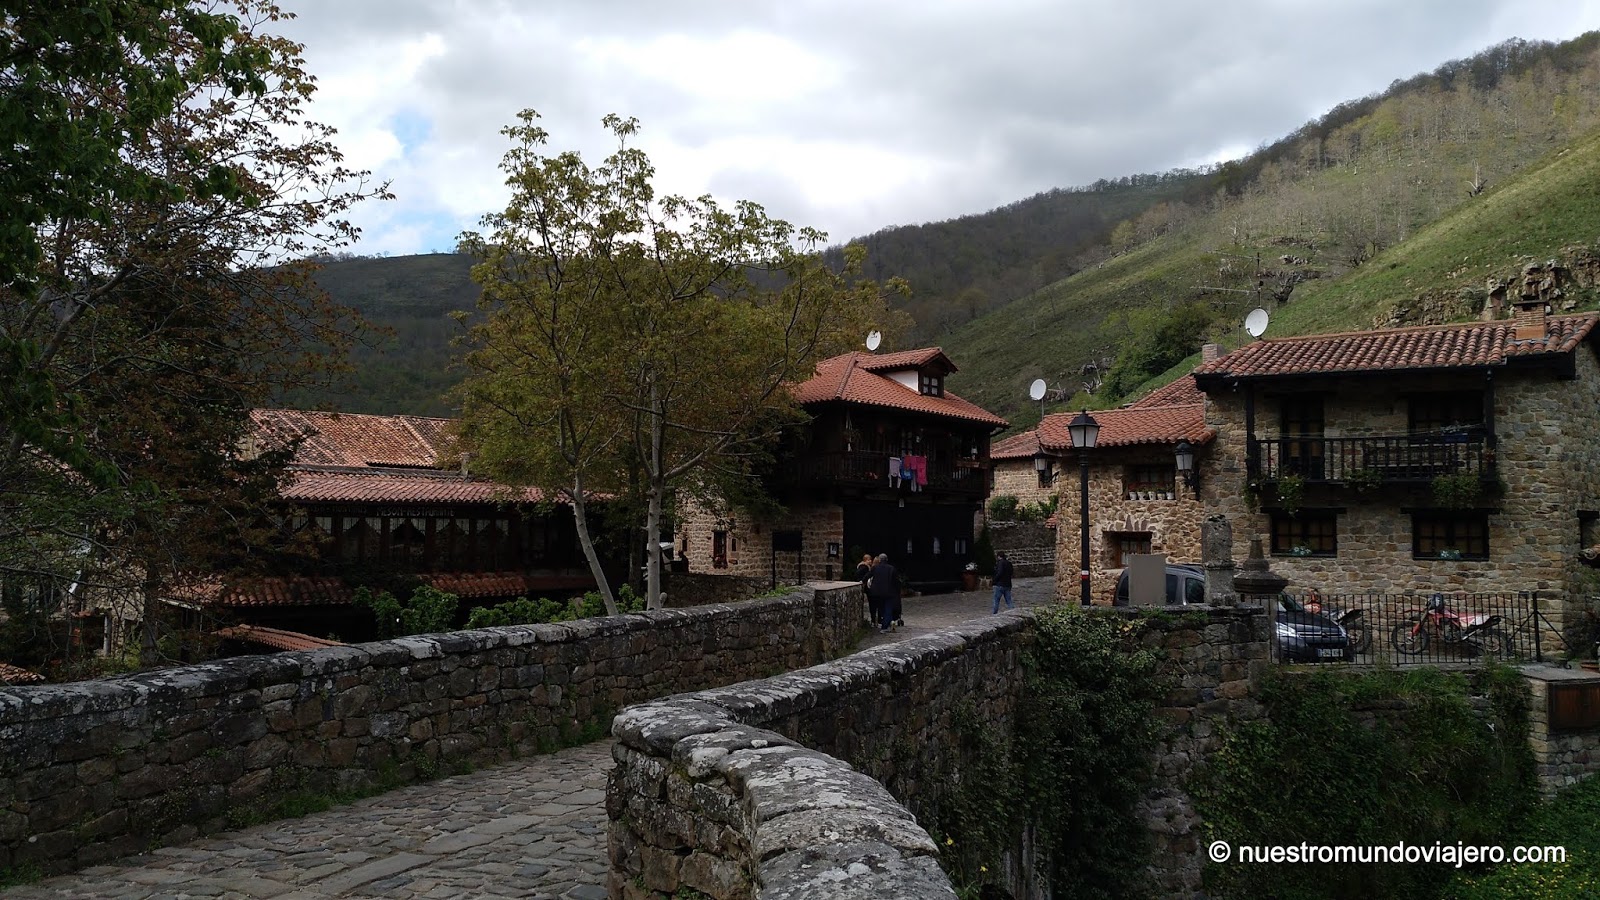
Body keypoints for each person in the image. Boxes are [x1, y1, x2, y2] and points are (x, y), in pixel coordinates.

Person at [868, 553, 901, 633]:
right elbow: (896, 581)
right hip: (889, 592)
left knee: (881, 608)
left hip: (877, 593)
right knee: (888, 608)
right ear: (886, 560)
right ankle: (885, 625)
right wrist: (897, 590)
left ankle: (885, 621)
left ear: (879, 560)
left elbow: (868, 575)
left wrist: (862, 581)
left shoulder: (875, 568)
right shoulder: (891, 568)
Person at [856, 553, 877, 625]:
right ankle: (873, 619)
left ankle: (873, 619)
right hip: (866, 587)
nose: (870, 561)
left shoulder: (861, 567)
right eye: (869, 560)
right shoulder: (864, 567)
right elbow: (865, 576)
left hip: (864, 587)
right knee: (872, 603)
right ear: (865, 560)